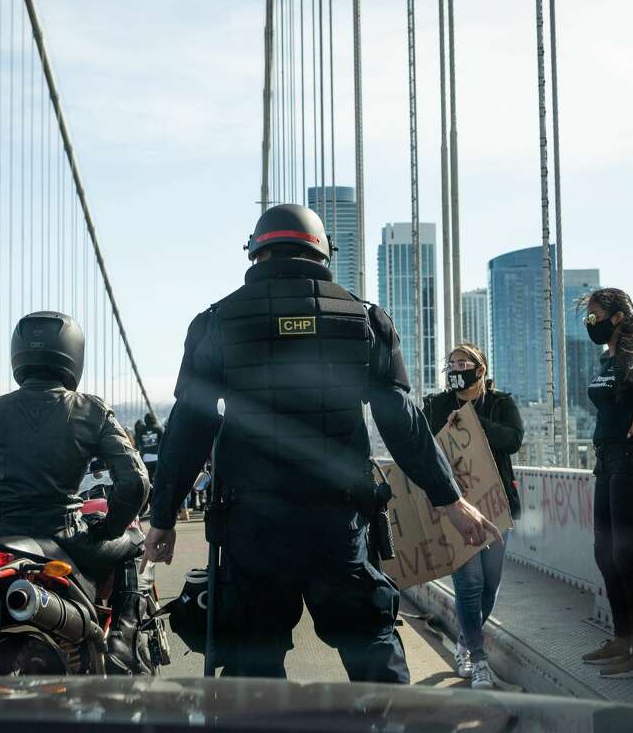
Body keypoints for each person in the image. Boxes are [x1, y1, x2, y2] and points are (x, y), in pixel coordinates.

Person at [143, 204, 498, 683]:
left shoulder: (216, 323)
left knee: (252, 662)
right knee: (371, 647)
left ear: (255, 252)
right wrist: (450, 499)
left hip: (254, 530)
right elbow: (401, 420)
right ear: (324, 252)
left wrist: (163, 519)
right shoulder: (365, 319)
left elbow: (189, 426)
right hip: (338, 524)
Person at [0, 312, 151, 673]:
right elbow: (136, 482)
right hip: (65, 536)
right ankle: (123, 643)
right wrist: (109, 528)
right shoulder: (91, 410)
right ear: (73, 353)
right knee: (133, 541)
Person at [422, 342, 523, 689]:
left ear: (480, 370)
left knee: (490, 584)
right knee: (469, 583)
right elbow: (421, 445)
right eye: (450, 364)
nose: (455, 370)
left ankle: (467, 638)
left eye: (462, 363)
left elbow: (513, 440)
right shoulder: (436, 405)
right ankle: (478, 660)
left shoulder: (500, 404)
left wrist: (472, 422)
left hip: (496, 506)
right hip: (454, 508)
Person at [578, 289, 633, 678]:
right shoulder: (605, 358)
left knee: (626, 555)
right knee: (604, 552)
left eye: (593, 316)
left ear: (616, 318)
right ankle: (622, 638)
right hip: (605, 459)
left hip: (632, 458)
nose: (588, 324)